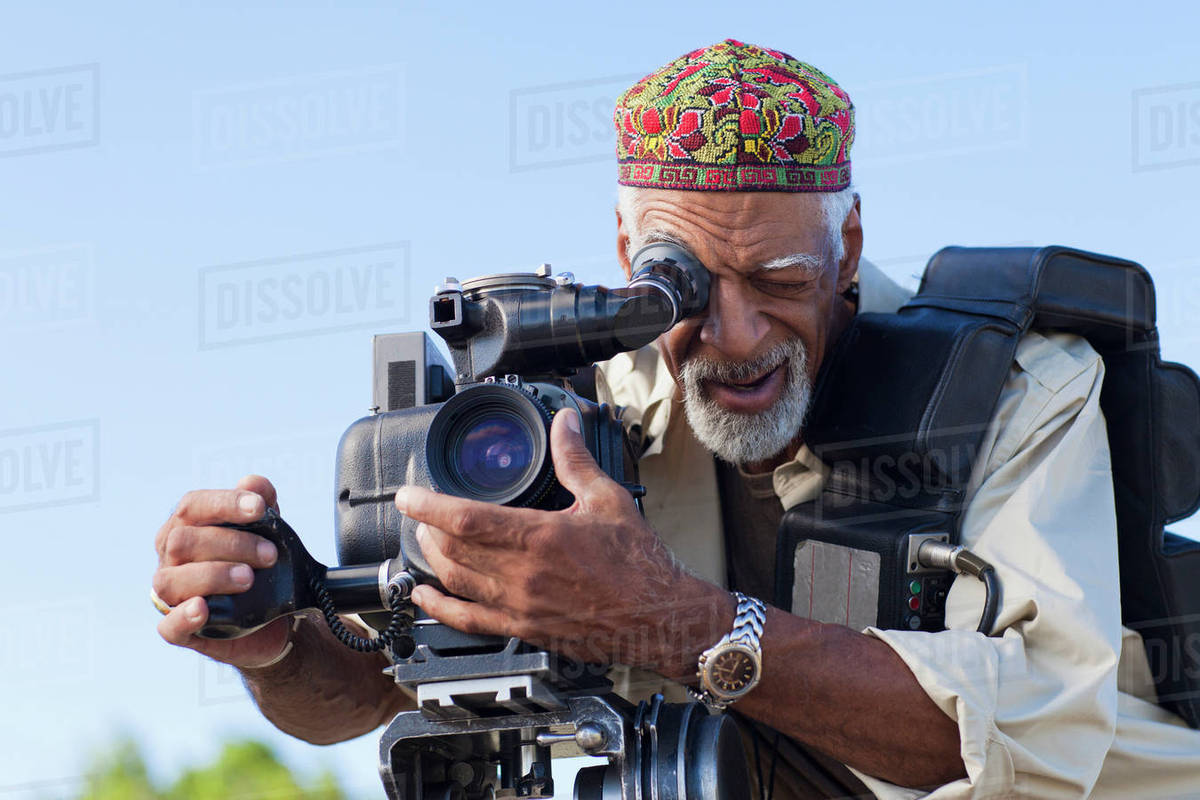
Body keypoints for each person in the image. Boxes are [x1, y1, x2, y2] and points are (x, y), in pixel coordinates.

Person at [153, 40, 1200, 798]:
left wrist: (673, 619)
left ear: (849, 244)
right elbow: (379, 687)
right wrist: (274, 636)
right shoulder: (564, 422)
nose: (737, 334)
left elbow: (1042, 739)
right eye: (684, 282)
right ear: (622, 247)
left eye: (780, 277)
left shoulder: (1020, 387)